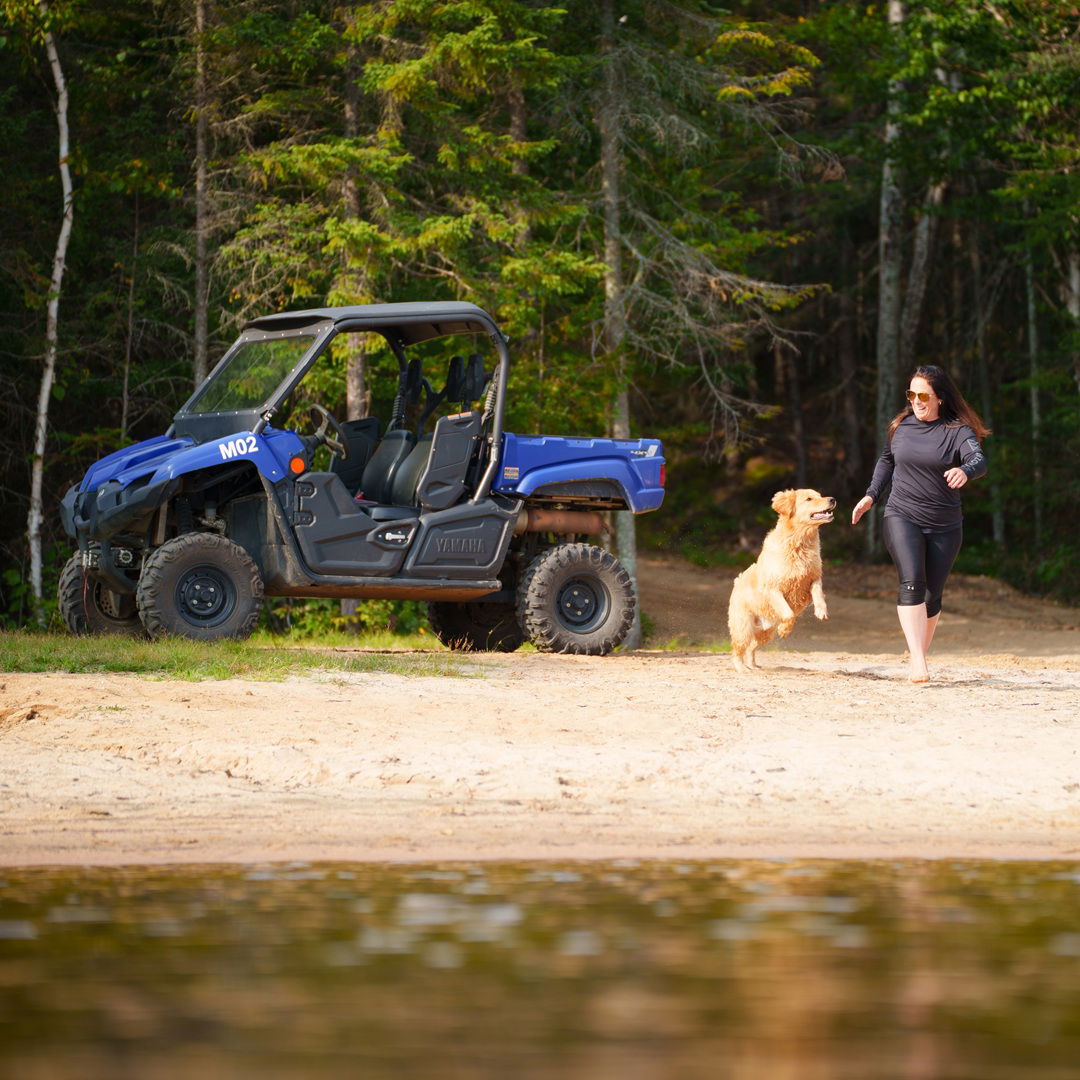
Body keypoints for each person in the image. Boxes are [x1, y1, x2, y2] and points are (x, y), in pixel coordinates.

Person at [851, 365, 989, 682]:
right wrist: (871, 495)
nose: (916, 400)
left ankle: (919, 657)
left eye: (923, 395)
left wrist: (965, 471)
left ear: (939, 398)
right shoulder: (900, 427)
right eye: (911, 394)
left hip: (945, 524)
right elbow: (887, 460)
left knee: (932, 595)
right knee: (912, 581)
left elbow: (979, 460)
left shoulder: (957, 431)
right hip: (902, 514)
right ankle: (918, 662)